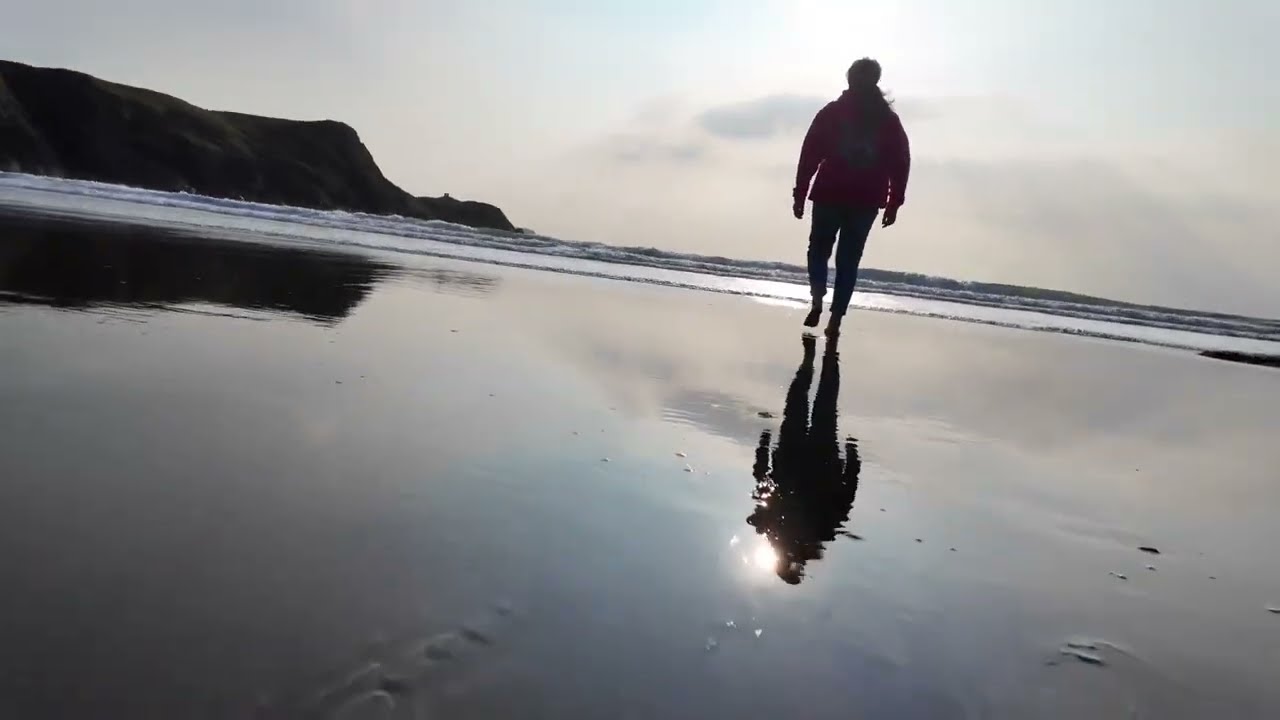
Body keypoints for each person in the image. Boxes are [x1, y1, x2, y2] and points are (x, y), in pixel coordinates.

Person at [793, 57, 911, 337]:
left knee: (819, 251)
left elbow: (809, 154)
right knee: (848, 259)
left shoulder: (834, 112)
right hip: (865, 198)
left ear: (850, 79)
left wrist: (800, 192)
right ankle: (834, 319)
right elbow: (901, 162)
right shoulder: (887, 119)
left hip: (831, 194)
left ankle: (818, 301)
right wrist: (894, 202)